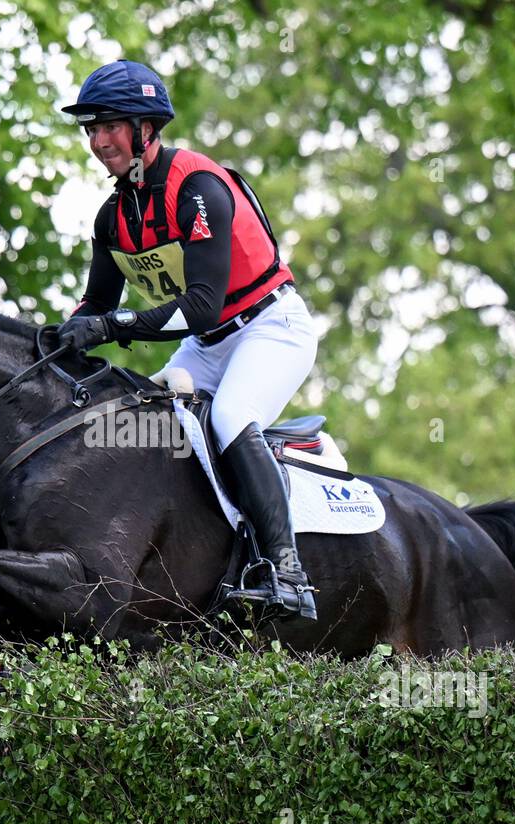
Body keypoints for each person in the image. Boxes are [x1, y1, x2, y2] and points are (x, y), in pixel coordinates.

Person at [55, 59, 319, 620]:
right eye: (91, 129)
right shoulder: (112, 217)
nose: (98, 141)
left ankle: (287, 570)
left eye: (110, 126)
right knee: (136, 422)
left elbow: (198, 308)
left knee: (229, 416)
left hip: (271, 327)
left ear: (146, 129)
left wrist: (106, 329)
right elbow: (98, 304)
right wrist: (55, 338)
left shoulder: (196, 188)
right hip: (209, 343)